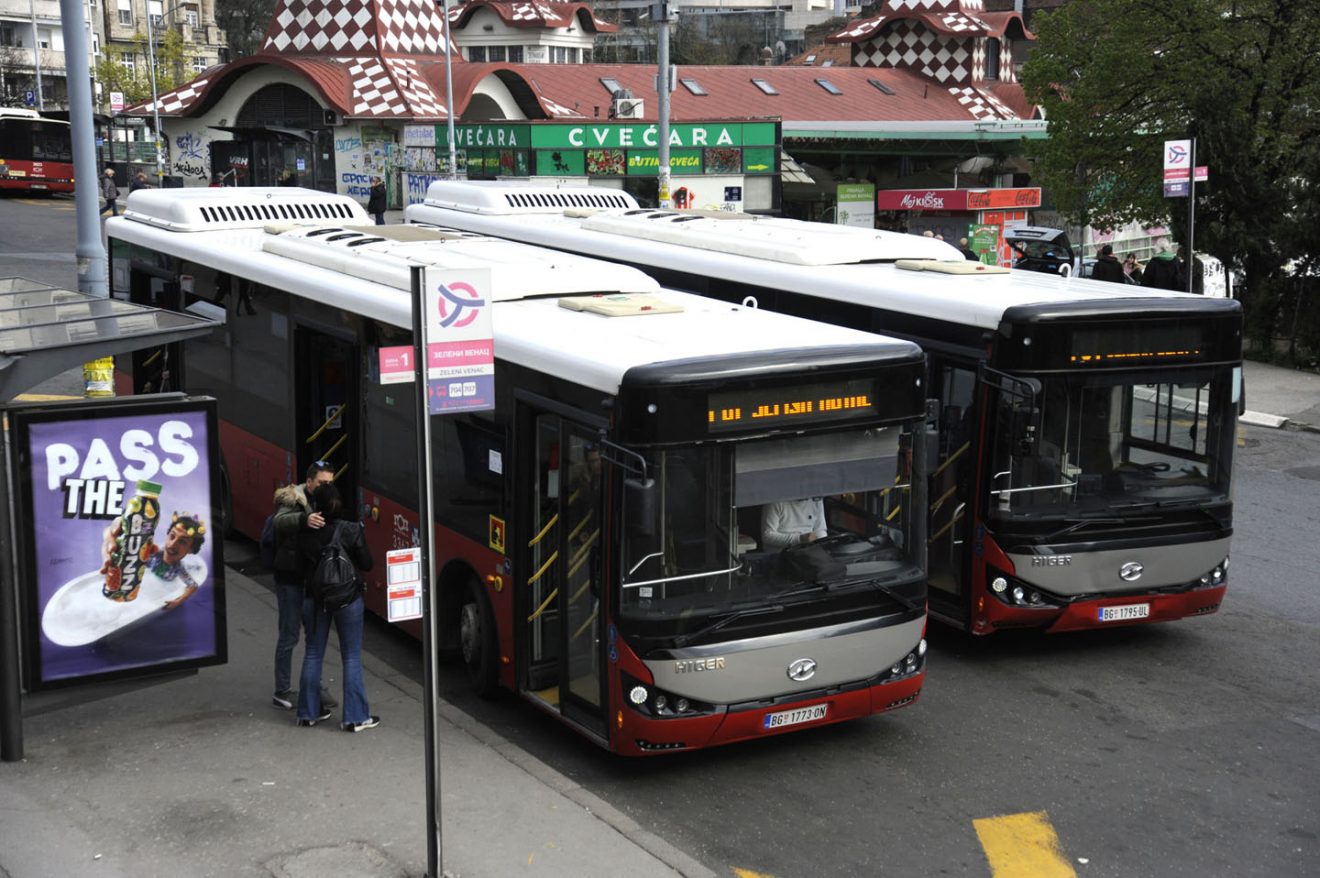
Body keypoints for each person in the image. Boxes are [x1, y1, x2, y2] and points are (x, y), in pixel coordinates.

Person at [295, 482, 375, 731]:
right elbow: (367, 563)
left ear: (316, 506)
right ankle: (355, 717)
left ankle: (308, 713)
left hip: (314, 599)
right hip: (347, 598)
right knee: (351, 657)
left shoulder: (306, 531)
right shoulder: (351, 530)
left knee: (313, 653)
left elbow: (297, 566)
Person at [270, 461, 338, 712]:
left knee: (314, 637)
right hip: (290, 578)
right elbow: (279, 521)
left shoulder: (325, 499)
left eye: (330, 483)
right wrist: (304, 519)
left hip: (311, 579)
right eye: (321, 483)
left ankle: (313, 686)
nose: (326, 487)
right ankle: (282, 691)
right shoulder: (294, 499)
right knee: (289, 635)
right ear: (309, 482)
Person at [143, 514, 207, 610]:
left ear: (190, 550)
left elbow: (193, 586)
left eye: (182, 542)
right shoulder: (154, 554)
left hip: (167, 582)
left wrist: (179, 600)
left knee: (189, 567)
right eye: (172, 536)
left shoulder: (178, 569)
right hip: (151, 580)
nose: (172, 545)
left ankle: (195, 567)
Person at [761, 498, 827, 550]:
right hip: (780, 552)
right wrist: (799, 539)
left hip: (809, 550)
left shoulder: (816, 499)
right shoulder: (776, 501)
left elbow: (820, 529)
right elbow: (767, 536)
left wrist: (822, 543)